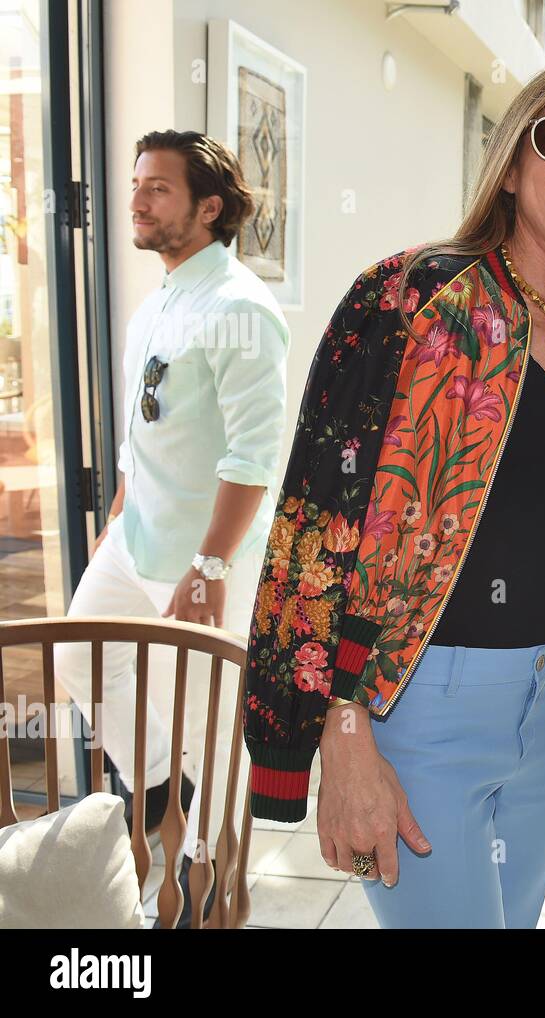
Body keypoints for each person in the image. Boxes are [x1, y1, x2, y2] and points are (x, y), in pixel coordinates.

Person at [241, 60, 545, 929]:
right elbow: (313, 527)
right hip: (413, 705)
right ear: (511, 160)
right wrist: (336, 732)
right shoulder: (410, 298)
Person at [54, 130, 290, 927]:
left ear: (209, 207)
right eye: (136, 184)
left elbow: (253, 454)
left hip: (204, 559)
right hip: (134, 542)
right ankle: (162, 795)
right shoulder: (156, 302)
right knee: (81, 655)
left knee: (211, 726)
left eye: (157, 187)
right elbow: (140, 427)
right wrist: (118, 512)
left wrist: (211, 567)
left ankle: (210, 886)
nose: (136, 200)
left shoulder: (241, 308)